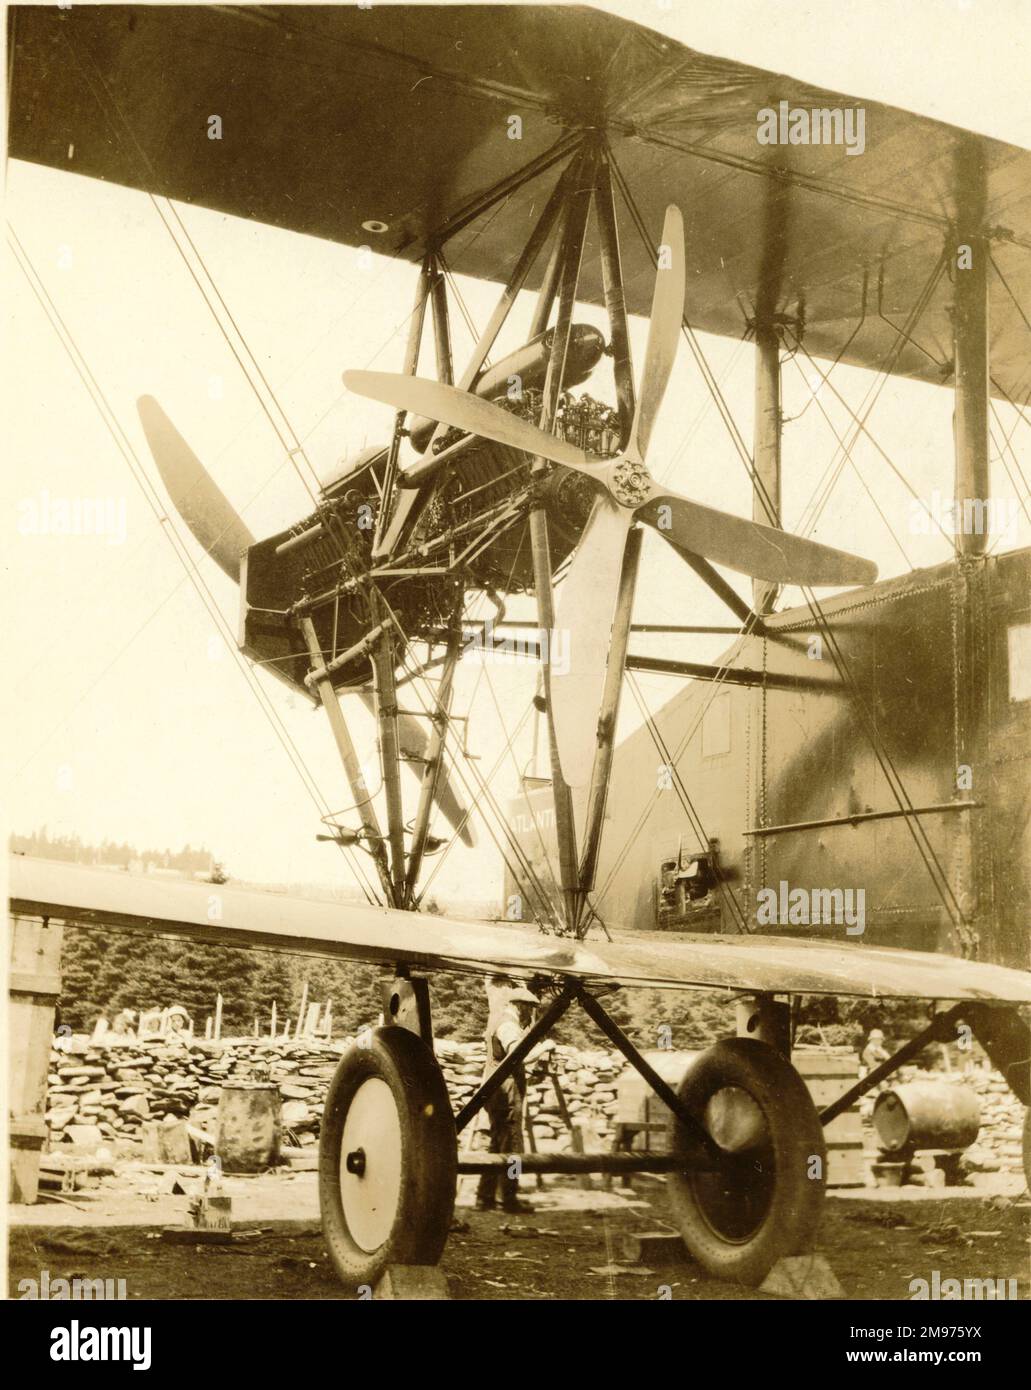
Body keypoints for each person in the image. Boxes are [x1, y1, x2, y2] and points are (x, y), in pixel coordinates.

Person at [475, 980, 541, 1213]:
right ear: (521, 1006)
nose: (530, 1015)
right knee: (512, 1145)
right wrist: (545, 1047)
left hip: (496, 1090)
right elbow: (518, 1055)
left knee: (496, 1145)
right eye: (529, 1009)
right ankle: (510, 1199)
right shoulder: (508, 1026)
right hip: (506, 1091)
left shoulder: (498, 1022)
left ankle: (485, 1198)